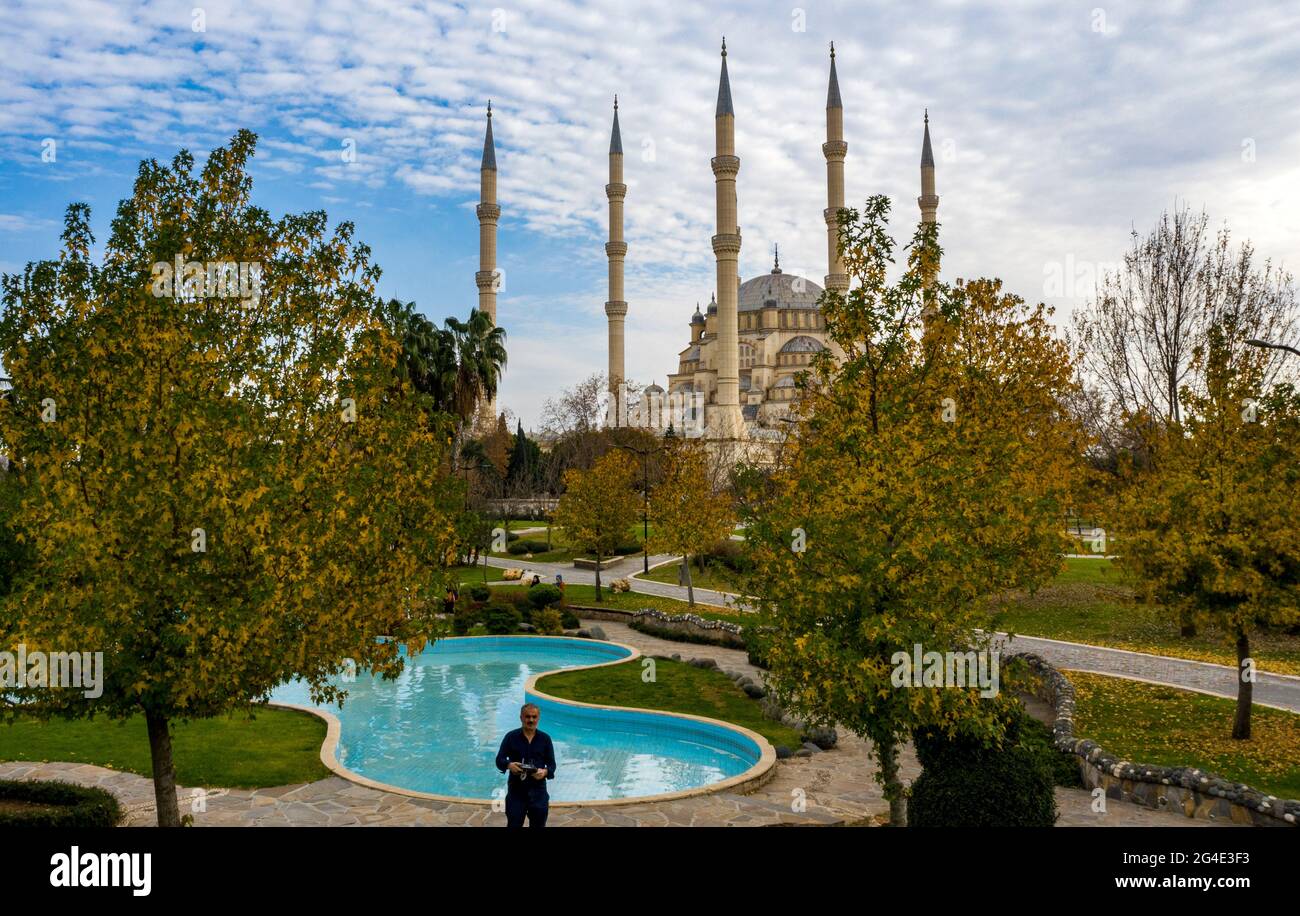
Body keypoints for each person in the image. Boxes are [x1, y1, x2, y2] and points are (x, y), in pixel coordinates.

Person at [495, 703, 556, 827]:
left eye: (534, 717)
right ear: (521, 718)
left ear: (538, 718)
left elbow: (552, 765)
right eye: (527, 717)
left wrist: (544, 772)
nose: (531, 720)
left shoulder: (545, 739)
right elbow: (499, 759)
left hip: (538, 791)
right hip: (516, 791)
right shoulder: (511, 737)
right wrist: (509, 765)